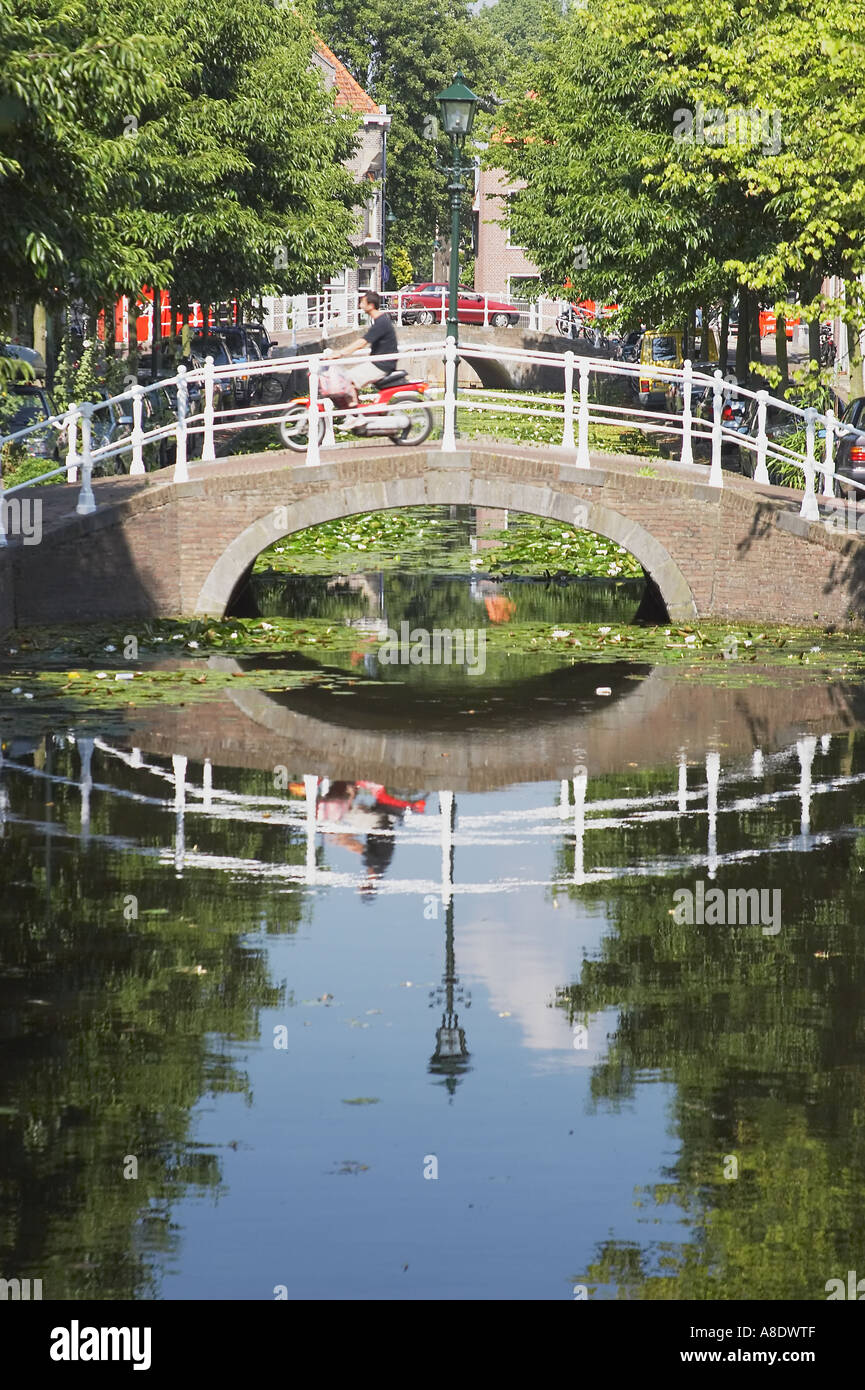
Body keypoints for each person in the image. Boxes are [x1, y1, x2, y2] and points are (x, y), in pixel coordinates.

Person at [322, 290, 399, 426]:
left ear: (371, 305)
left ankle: (355, 416)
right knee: (348, 376)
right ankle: (356, 412)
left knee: (347, 380)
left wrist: (340, 353)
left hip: (381, 365)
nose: (360, 305)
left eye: (362, 303)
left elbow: (362, 342)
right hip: (379, 363)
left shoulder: (381, 323)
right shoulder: (381, 321)